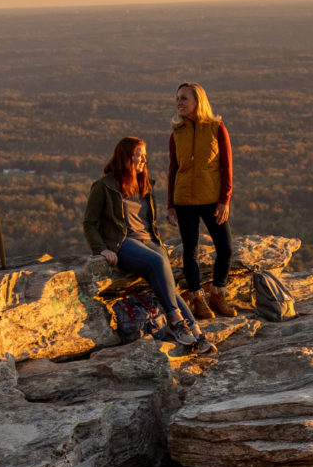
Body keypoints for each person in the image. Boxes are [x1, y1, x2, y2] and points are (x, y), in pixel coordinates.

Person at [81, 135, 203, 347]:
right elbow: (89, 223)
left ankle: (196, 332)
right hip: (124, 241)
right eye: (139, 156)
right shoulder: (104, 186)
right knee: (158, 263)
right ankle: (176, 322)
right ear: (126, 157)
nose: (144, 160)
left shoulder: (145, 185)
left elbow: (148, 221)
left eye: (145, 156)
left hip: (149, 240)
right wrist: (100, 249)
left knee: (169, 286)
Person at [167, 81, 236, 313]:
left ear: (198, 101)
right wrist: (170, 204)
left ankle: (217, 294)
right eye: (178, 98)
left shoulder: (217, 128)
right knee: (191, 251)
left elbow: (227, 166)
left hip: (211, 198)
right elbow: (173, 169)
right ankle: (197, 299)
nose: (179, 102)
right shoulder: (176, 133)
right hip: (184, 200)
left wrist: (225, 199)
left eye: (184, 98)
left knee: (225, 249)